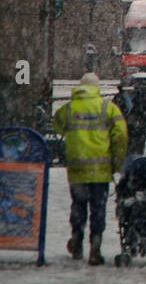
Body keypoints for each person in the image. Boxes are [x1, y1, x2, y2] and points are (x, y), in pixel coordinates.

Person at [53, 72, 128, 264]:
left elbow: (58, 125)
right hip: (100, 171)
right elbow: (121, 135)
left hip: (77, 170)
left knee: (78, 206)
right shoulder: (107, 108)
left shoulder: (69, 108)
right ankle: (96, 247)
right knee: (98, 208)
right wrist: (117, 162)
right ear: (97, 88)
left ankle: (76, 241)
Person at [113, 74, 146, 157]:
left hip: (139, 133)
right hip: (124, 133)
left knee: (137, 156)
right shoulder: (118, 99)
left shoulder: (141, 97)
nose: (129, 90)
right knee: (125, 156)